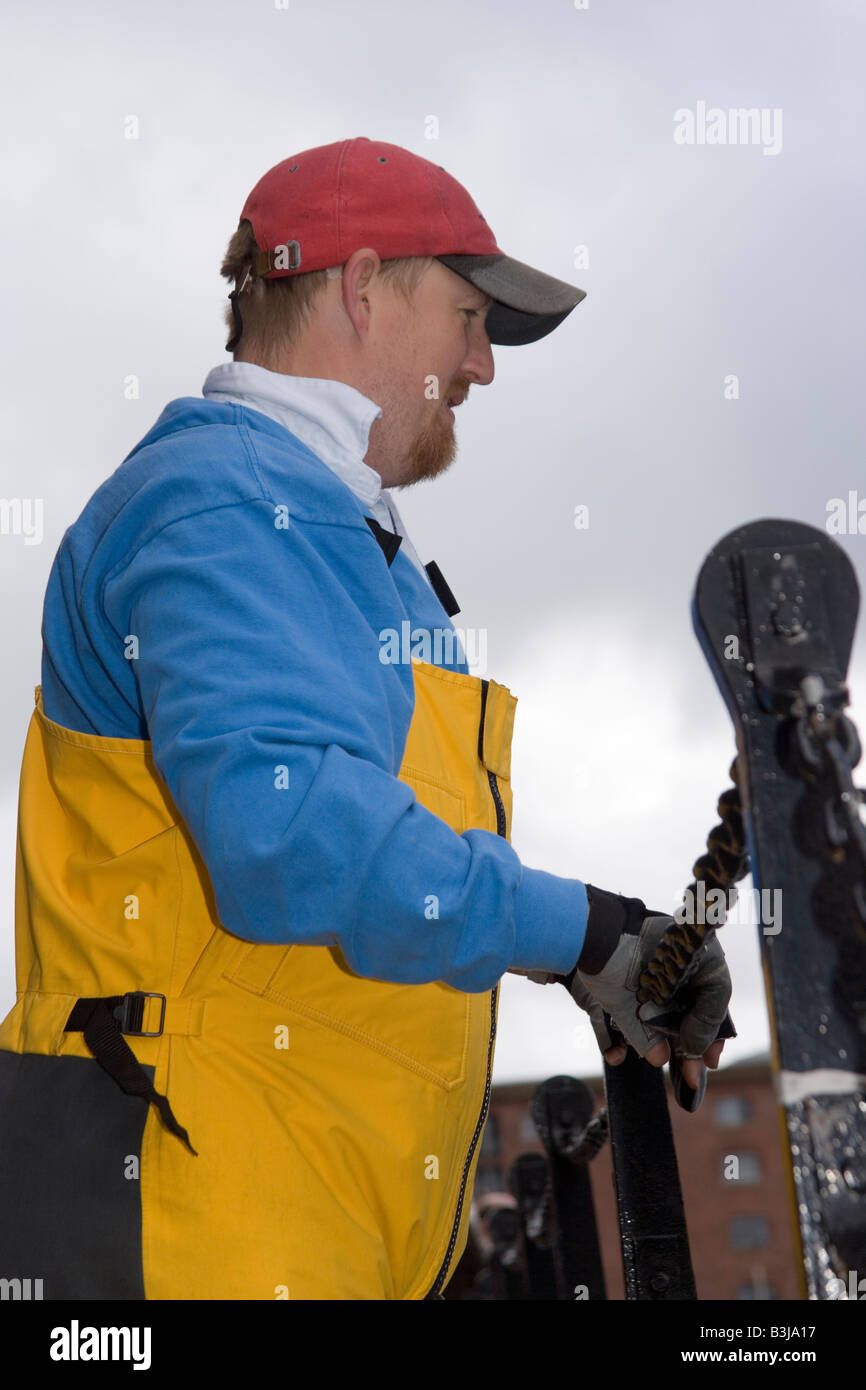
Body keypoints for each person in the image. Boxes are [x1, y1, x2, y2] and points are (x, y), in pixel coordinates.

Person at [0, 136, 731, 1300]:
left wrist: (592, 955)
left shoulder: (337, 536)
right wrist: (582, 933)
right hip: (185, 1224)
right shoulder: (223, 505)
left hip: (297, 1224)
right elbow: (290, 838)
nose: (480, 364)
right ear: (360, 287)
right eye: (468, 317)